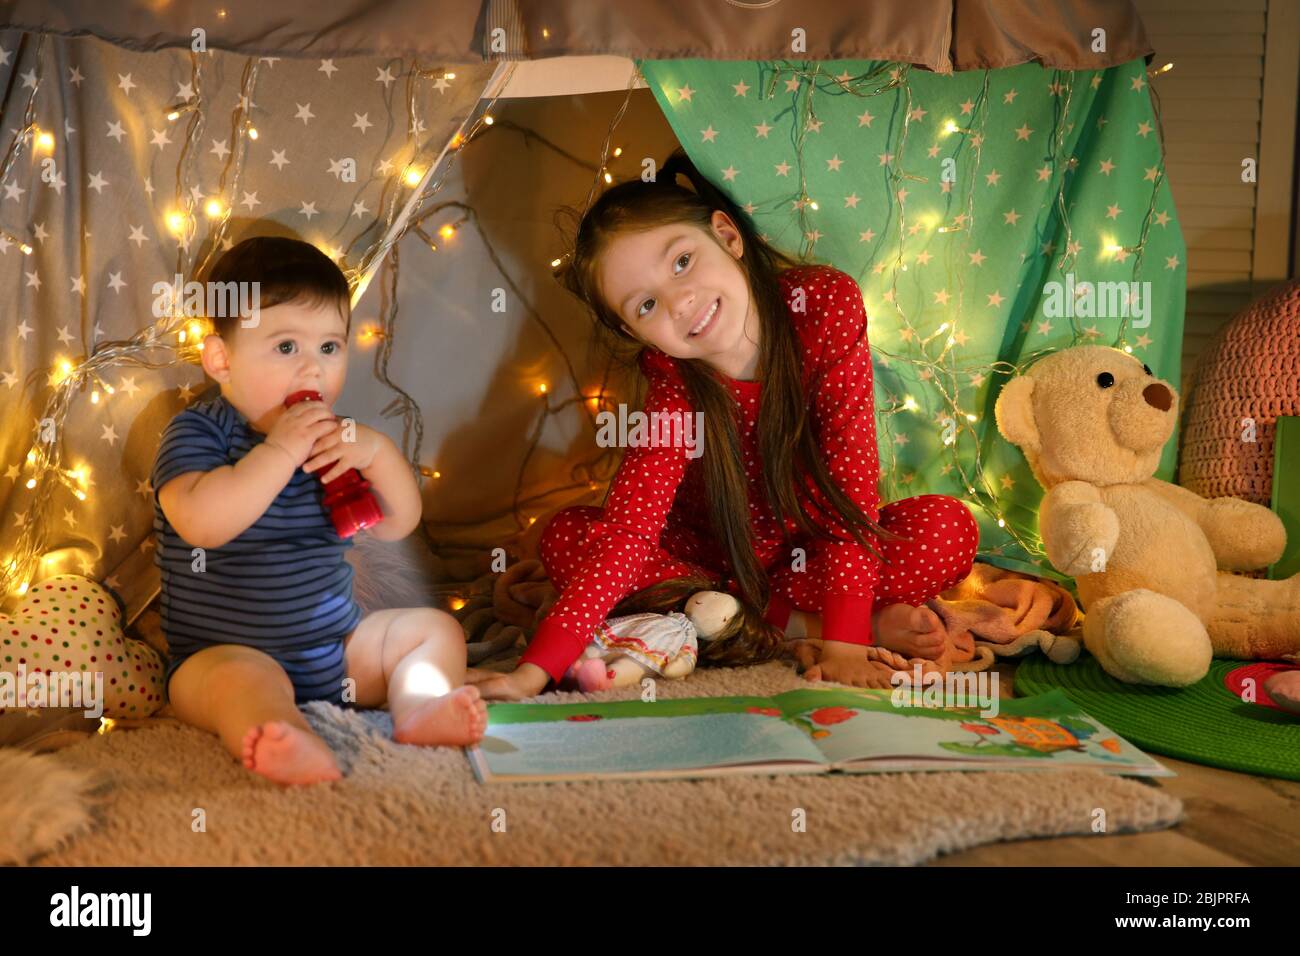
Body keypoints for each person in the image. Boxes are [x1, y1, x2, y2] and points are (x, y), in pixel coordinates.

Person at [469, 152, 978, 701]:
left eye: (682, 261)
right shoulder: (673, 381)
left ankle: (737, 621)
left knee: (948, 529)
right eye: (646, 304)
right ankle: (790, 625)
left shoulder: (823, 307)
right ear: (634, 331)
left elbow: (849, 489)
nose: (679, 301)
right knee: (566, 537)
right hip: (702, 562)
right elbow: (630, 531)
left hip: (808, 555)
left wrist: (846, 647)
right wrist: (530, 674)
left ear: (727, 236)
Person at [153, 236, 485, 785]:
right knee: (239, 686)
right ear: (221, 359)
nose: (313, 369)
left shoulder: (337, 440)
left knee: (434, 631)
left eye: (330, 347)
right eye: (286, 347)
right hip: (225, 655)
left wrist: (378, 454)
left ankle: (421, 705)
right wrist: (279, 453)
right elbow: (202, 524)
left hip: (338, 651)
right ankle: (283, 737)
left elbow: (396, 524)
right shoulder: (200, 431)